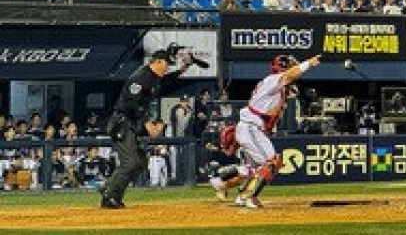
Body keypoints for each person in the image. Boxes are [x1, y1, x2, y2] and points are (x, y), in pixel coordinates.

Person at [100, 47, 199, 209]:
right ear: (158, 62)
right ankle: (109, 196)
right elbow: (132, 103)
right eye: (166, 64)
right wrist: (148, 124)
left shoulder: (153, 78)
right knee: (131, 162)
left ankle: (110, 189)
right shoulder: (141, 77)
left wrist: (183, 69)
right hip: (122, 123)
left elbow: (167, 82)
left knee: (140, 162)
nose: (168, 67)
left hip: (131, 124)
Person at [220, 54, 321, 208]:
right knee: (272, 162)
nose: (294, 67)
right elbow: (290, 75)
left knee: (255, 168)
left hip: (252, 128)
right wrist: (309, 63)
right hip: (251, 127)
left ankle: (242, 196)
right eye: (290, 65)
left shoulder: (276, 84)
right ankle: (249, 197)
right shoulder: (273, 79)